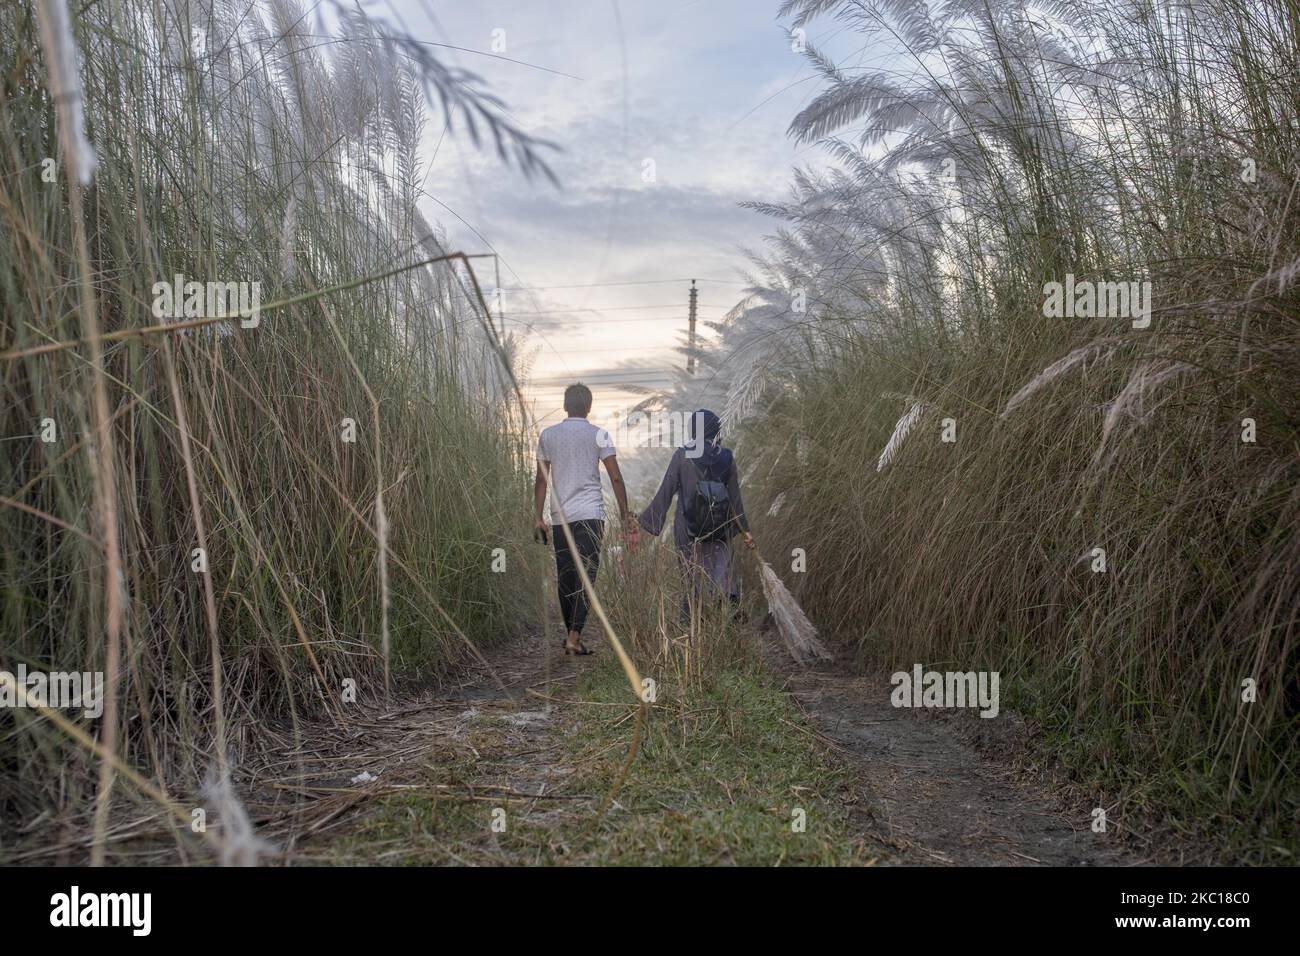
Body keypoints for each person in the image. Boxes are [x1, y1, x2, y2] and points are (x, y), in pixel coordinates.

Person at [534, 383, 638, 655]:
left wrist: (538, 518)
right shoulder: (599, 436)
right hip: (591, 515)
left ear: (565, 405)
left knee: (566, 576)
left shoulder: (548, 435)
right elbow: (615, 476)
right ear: (589, 407)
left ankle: (572, 633)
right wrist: (626, 514)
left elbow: (541, 481)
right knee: (587, 574)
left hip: (560, 517)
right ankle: (574, 635)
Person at [638, 409, 753, 623]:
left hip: (688, 528)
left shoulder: (682, 455)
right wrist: (745, 531)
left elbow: (666, 491)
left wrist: (647, 522)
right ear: (716, 430)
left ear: (693, 429)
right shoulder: (727, 457)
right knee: (721, 568)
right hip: (720, 527)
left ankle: (692, 619)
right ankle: (728, 610)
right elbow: (735, 499)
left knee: (692, 574)